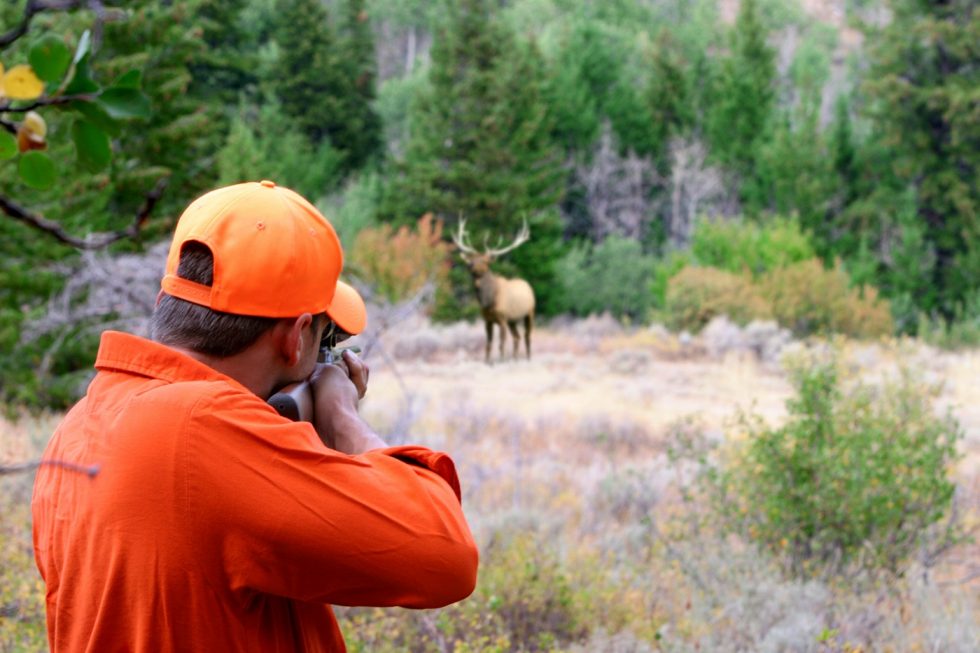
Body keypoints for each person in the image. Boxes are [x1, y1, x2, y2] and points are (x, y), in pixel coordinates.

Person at [31, 180, 479, 652]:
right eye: (325, 340)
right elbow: (446, 557)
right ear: (297, 337)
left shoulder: (81, 424)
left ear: (169, 304)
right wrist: (341, 416)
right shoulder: (206, 428)